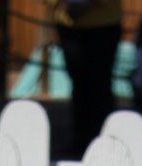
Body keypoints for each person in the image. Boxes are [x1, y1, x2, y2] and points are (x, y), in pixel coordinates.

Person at [51, 0, 123, 156]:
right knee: (79, 85)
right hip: (69, 23)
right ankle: (80, 141)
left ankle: (105, 140)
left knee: (100, 85)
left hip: (103, 23)